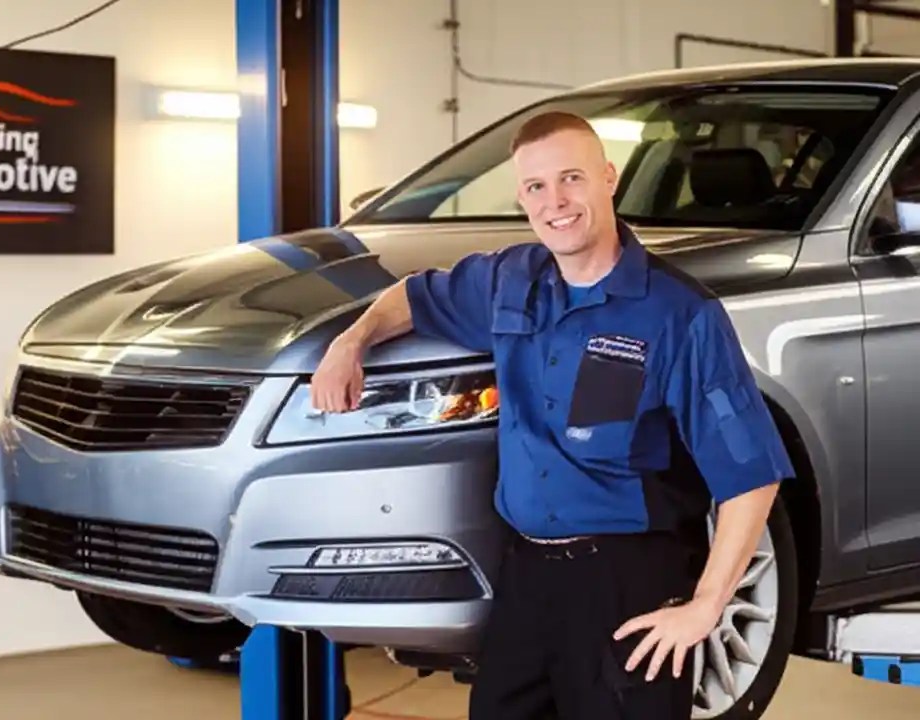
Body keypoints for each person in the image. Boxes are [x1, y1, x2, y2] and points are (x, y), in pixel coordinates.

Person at [309, 111, 794, 719]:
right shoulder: (510, 280)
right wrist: (348, 343)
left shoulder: (680, 316)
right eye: (537, 187)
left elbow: (751, 474)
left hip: (627, 583)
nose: (555, 202)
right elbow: (409, 296)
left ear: (608, 179)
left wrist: (705, 605)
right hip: (527, 578)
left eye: (572, 179)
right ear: (522, 196)